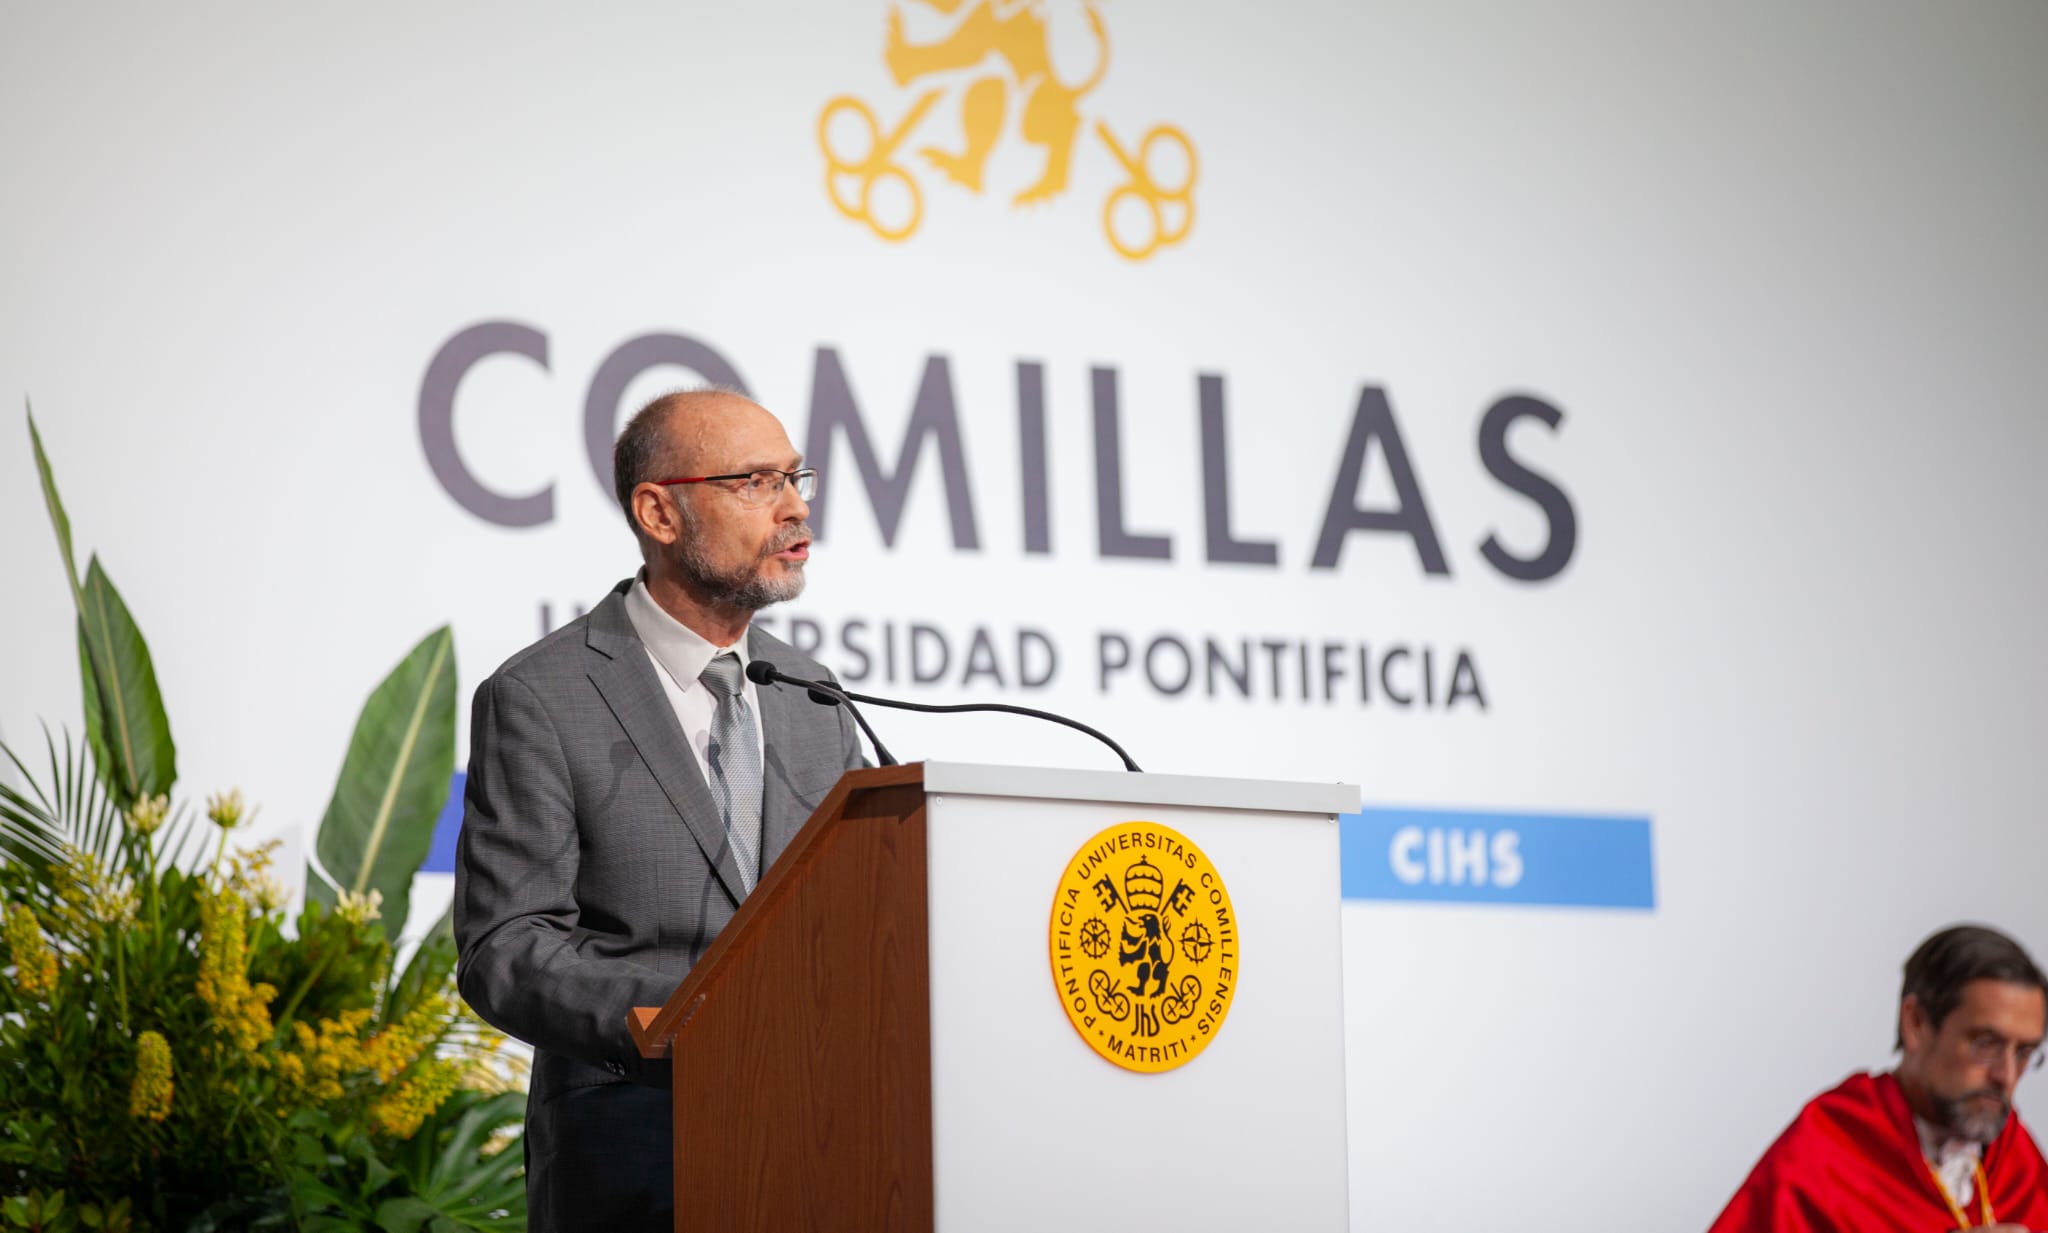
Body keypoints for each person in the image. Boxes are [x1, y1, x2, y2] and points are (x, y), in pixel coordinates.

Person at [453, 389, 864, 1231]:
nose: (794, 508)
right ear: (659, 512)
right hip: (633, 1154)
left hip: (819, 1151)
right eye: (755, 482)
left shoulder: (815, 695)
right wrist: (690, 1013)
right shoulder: (542, 696)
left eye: (797, 478)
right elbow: (505, 946)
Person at [1709, 924, 2048, 1232]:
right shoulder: (1825, 1151)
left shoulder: (2015, 1158)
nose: (2006, 1075)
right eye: (1985, 1044)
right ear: (1915, 1023)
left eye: (2024, 1053)